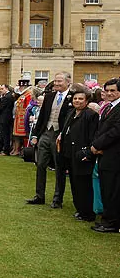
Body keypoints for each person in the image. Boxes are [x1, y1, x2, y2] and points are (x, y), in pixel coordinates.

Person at [26, 72, 73, 208]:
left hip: (60, 135)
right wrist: (35, 135)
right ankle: (39, 196)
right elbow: (42, 117)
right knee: (40, 164)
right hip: (46, 133)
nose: (57, 84)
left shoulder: (72, 97)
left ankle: (57, 199)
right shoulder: (49, 96)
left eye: (60, 81)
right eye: (56, 81)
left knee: (59, 167)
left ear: (68, 82)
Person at [58, 84, 99, 222]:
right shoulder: (71, 113)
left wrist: (88, 153)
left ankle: (87, 213)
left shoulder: (91, 115)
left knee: (84, 185)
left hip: (83, 154)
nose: (77, 101)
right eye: (75, 98)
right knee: (75, 184)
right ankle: (80, 209)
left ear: (86, 101)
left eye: (81, 99)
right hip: (70, 153)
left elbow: (93, 136)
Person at [90, 78, 120, 233]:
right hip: (104, 154)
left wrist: (96, 145)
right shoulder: (108, 107)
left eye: (113, 90)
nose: (109, 93)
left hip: (114, 155)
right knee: (105, 188)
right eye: (107, 90)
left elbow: (114, 132)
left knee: (112, 190)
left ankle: (112, 222)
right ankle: (107, 219)